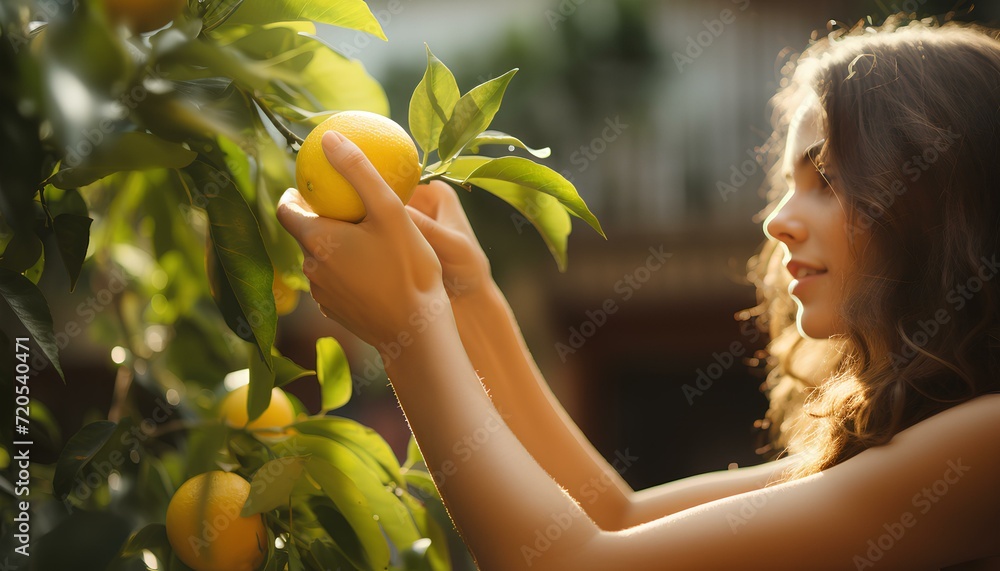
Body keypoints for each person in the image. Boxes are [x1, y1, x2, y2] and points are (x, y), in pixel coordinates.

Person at [277, 16, 1000, 570]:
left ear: (943, 200)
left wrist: (410, 328)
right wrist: (470, 300)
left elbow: (576, 562)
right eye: (789, 182)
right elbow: (615, 517)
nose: (778, 219)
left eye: (828, 178)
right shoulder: (900, 435)